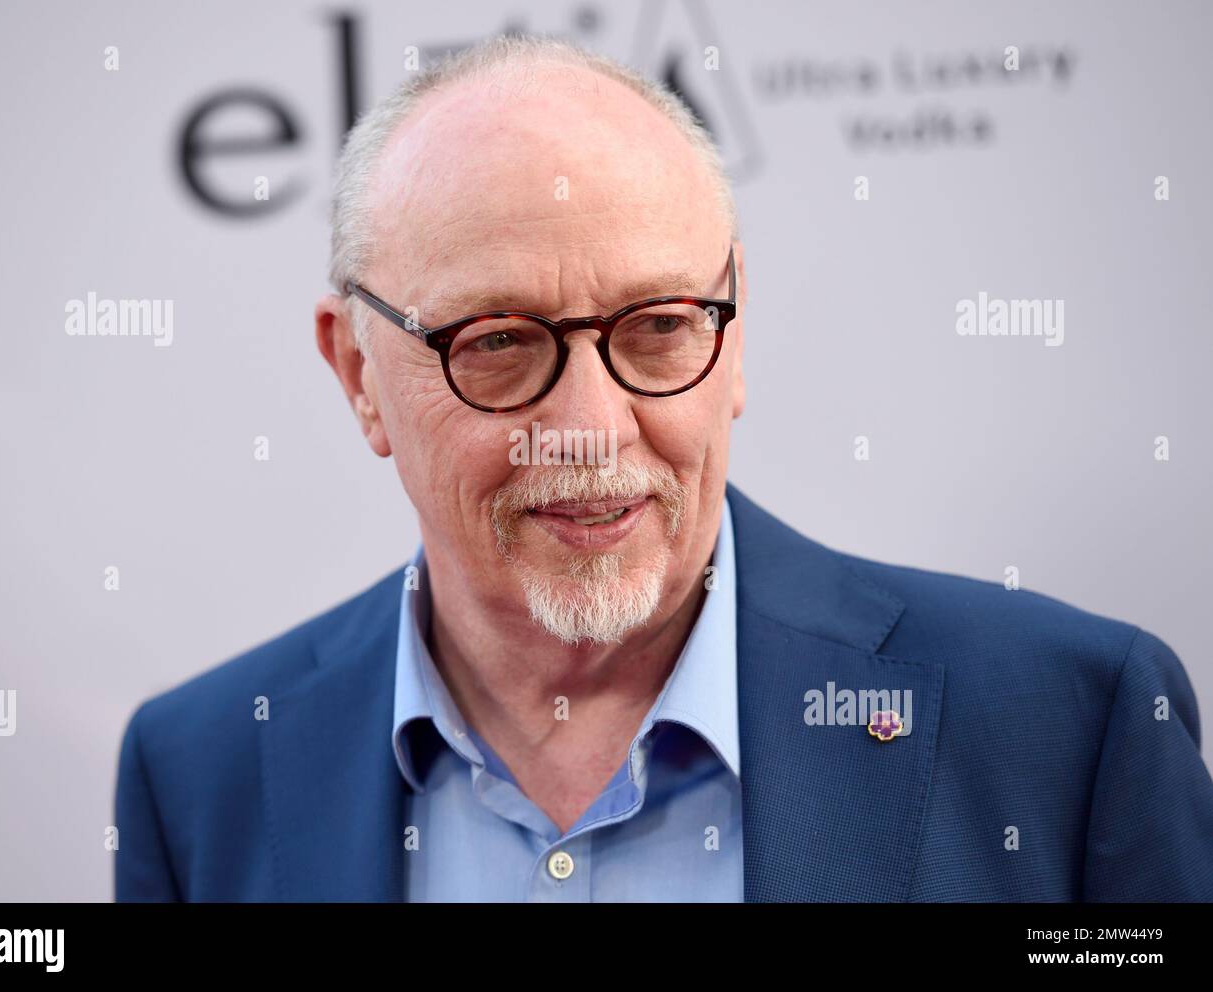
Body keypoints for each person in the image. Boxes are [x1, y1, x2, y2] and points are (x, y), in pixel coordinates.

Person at [114, 34, 1213, 902]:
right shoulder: (201, 771)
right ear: (358, 370)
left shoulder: (1070, 726)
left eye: (656, 326)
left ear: (732, 338)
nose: (591, 427)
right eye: (496, 341)